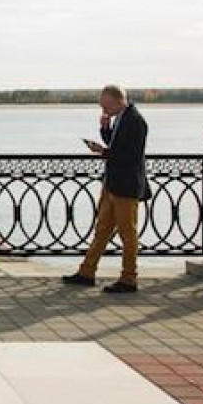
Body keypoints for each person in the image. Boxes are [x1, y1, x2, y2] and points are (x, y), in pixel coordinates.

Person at [63, 85, 150, 294]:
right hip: (112, 184)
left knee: (128, 234)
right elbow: (117, 145)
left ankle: (129, 279)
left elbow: (132, 156)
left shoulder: (135, 121)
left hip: (126, 186)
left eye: (105, 105)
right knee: (102, 229)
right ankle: (86, 272)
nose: (103, 109)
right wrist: (105, 130)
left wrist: (103, 151)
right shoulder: (120, 118)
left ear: (117, 100)